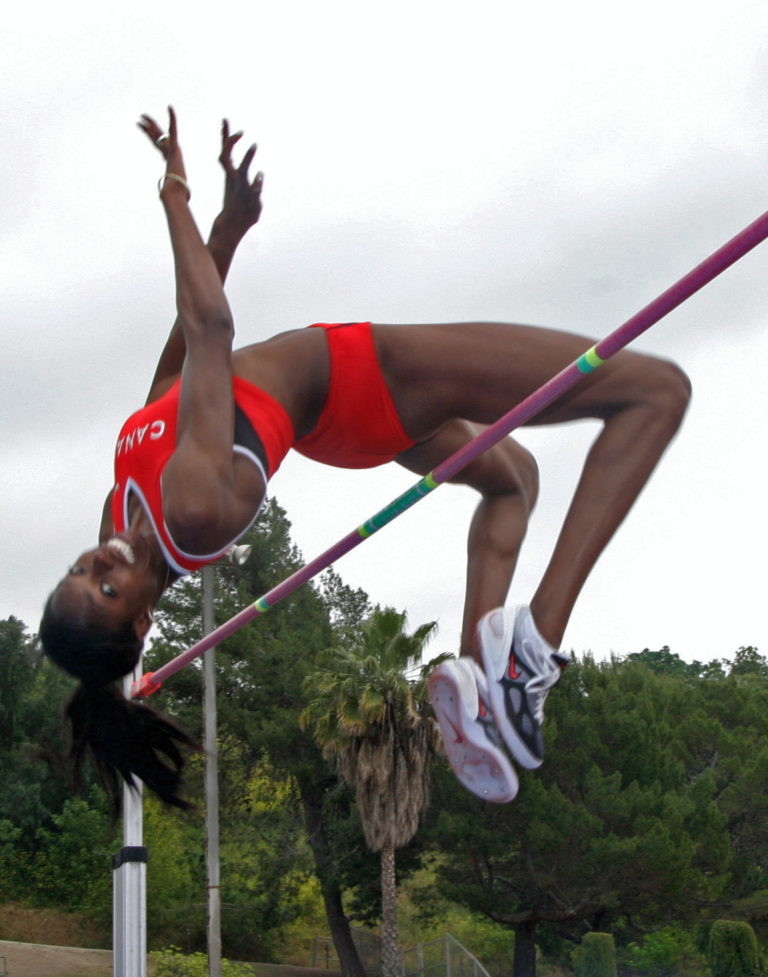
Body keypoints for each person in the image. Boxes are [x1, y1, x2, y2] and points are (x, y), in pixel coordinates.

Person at [41, 108, 691, 809]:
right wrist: (174, 193)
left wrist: (225, 235)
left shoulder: (120, 508)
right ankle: (535, 649)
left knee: (513, 481)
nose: (98, 564)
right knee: (652, 392)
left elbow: (172, 379)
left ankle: (477, 681)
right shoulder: (190, 513)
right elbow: (210, 330)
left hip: (342, 427)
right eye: (106, 590)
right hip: (368, 379)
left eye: (79, 571)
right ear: (143, 622)